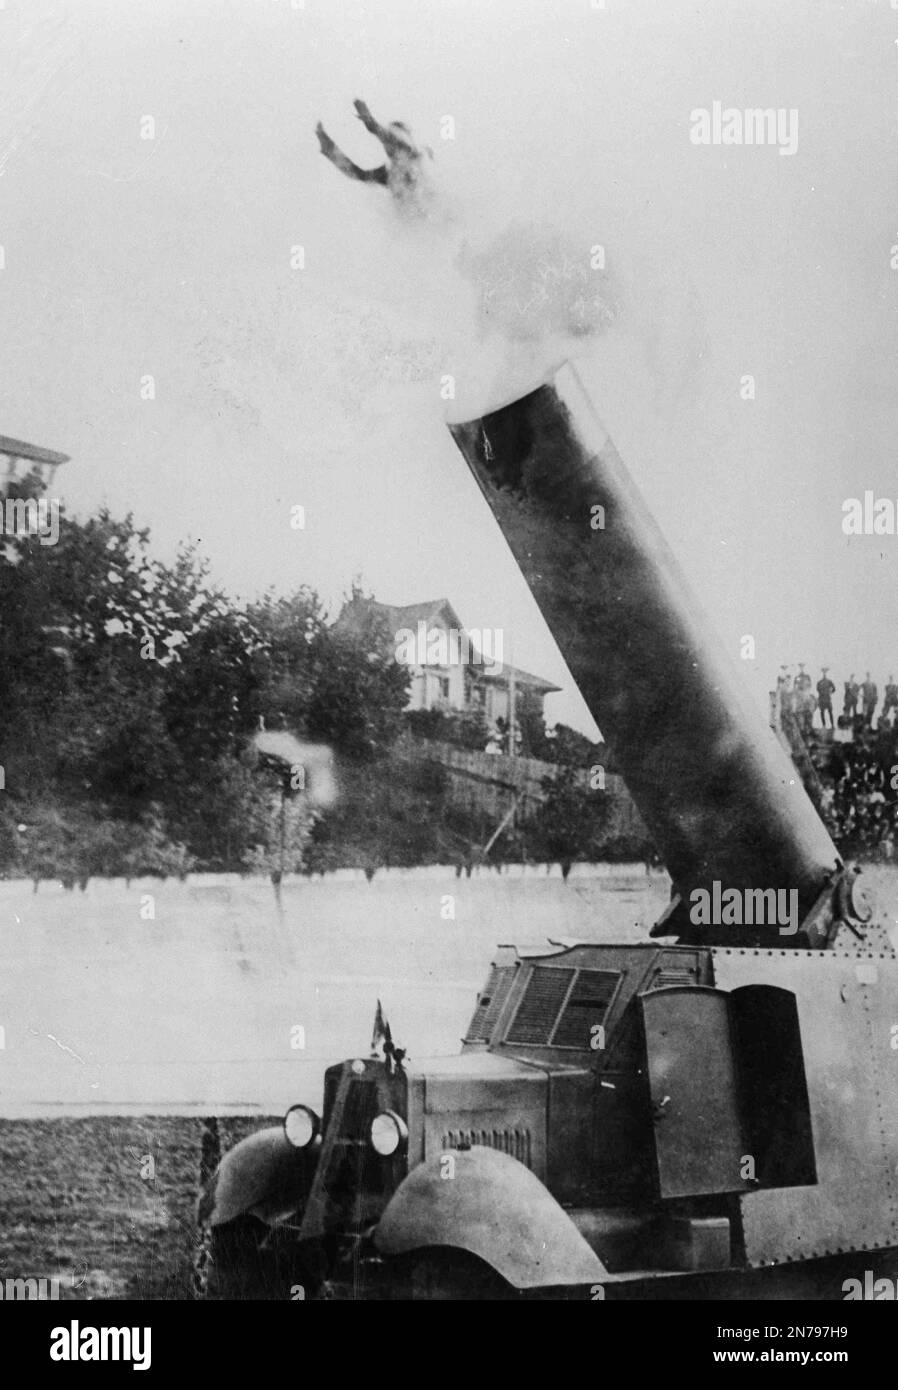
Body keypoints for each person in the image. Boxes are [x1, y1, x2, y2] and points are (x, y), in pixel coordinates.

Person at [315, 99, 437, 216]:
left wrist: (367, 118)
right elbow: (357, 173)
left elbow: (382, 134)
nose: (388, 147)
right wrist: (328, 147)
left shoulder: (408, 152)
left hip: (427, 214)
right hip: (415, 222)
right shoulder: (391, 174)